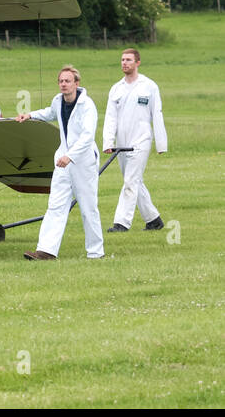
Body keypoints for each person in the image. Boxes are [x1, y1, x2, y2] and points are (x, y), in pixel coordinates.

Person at [16, 65, 104, 260]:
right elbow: (50, 112)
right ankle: (46, 250)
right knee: (55, 205)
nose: (63, 84)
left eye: (67, 81)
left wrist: (71, 156)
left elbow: (88, 136)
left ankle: (96, 252)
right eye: (61, 81)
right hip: (62, 160)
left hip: (83, 161)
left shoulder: (87, 105)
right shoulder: (58, 101)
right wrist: (30, 115)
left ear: (76, 83)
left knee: (88, 207)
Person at [103, 47, 168, 233]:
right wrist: (108, 142)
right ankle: (154, 220)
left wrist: (161, 143)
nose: (125, 63)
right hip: (122, 143)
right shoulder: (116, 89)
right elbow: (110, 117)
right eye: (123, 60)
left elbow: (157, 114)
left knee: (130, 181)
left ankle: (121, 223)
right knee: (134, 181)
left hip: (141, 141)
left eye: (129, 60)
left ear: (137, 62)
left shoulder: (149, 86)